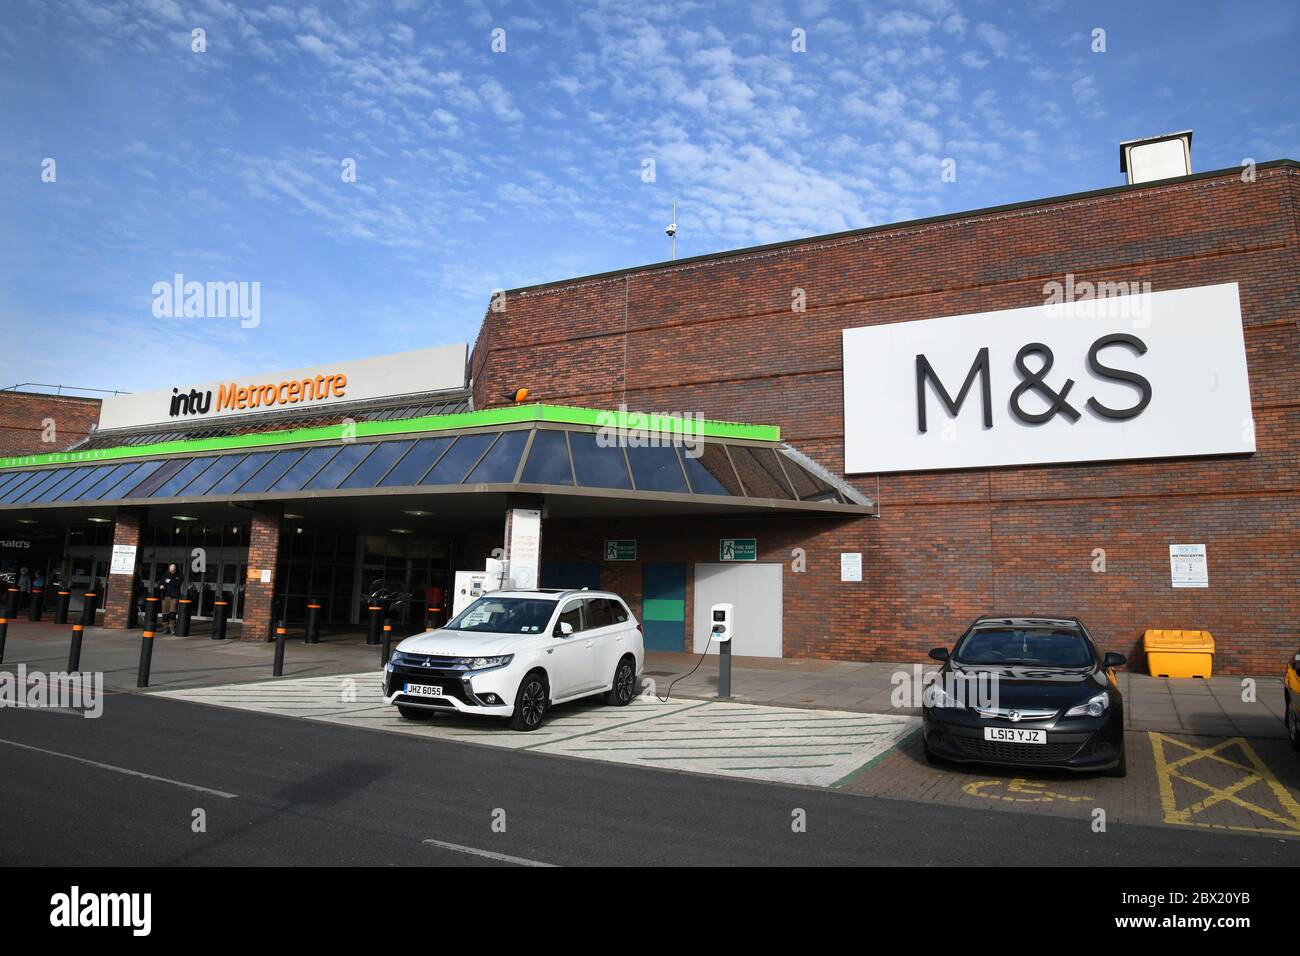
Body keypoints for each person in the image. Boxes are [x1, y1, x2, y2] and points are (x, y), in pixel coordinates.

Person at [160, 563, 184, 635]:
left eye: (173, 567)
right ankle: (165, 628)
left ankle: (172, 628)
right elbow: (161, 582)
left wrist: (170, 581)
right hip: (165, 596)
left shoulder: (179, 575)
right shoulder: (165, 575)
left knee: (172, 613)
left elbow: (178, 584)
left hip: (174, 597)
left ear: (176, 568)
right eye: (171, 567)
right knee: (165, 613)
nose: (172, 568)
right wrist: (161, 586)